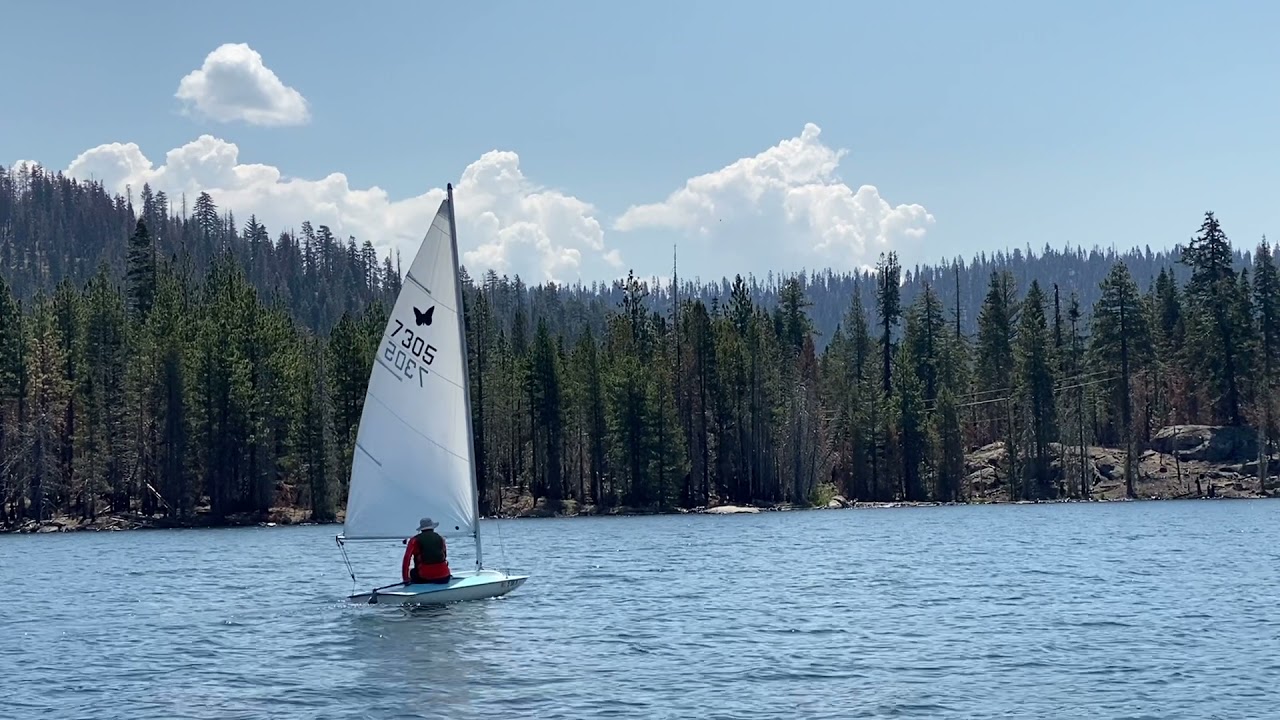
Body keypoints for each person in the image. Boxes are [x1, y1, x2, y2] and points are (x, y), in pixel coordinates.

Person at [402, 517, 452, 585]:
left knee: (412, 572)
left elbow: (406, 559)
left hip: (424, 577)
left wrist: (405, 579)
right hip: (444, 576)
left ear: (421, 529)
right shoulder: (440, 538)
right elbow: (444, 555)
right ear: (433, 528)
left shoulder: (414, 540)